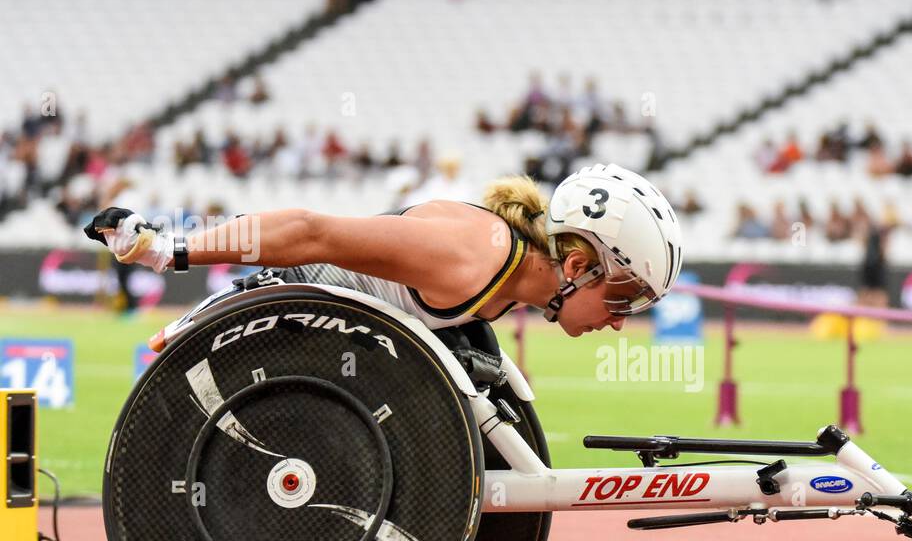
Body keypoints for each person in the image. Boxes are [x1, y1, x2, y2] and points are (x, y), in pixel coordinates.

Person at [85, 163, 684, 340]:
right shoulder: (473, 257)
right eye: (624, 300)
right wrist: (166, 249)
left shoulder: (515, 287)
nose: (617, 324)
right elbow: (309, 230)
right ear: (578, 267)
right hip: (278, 309)